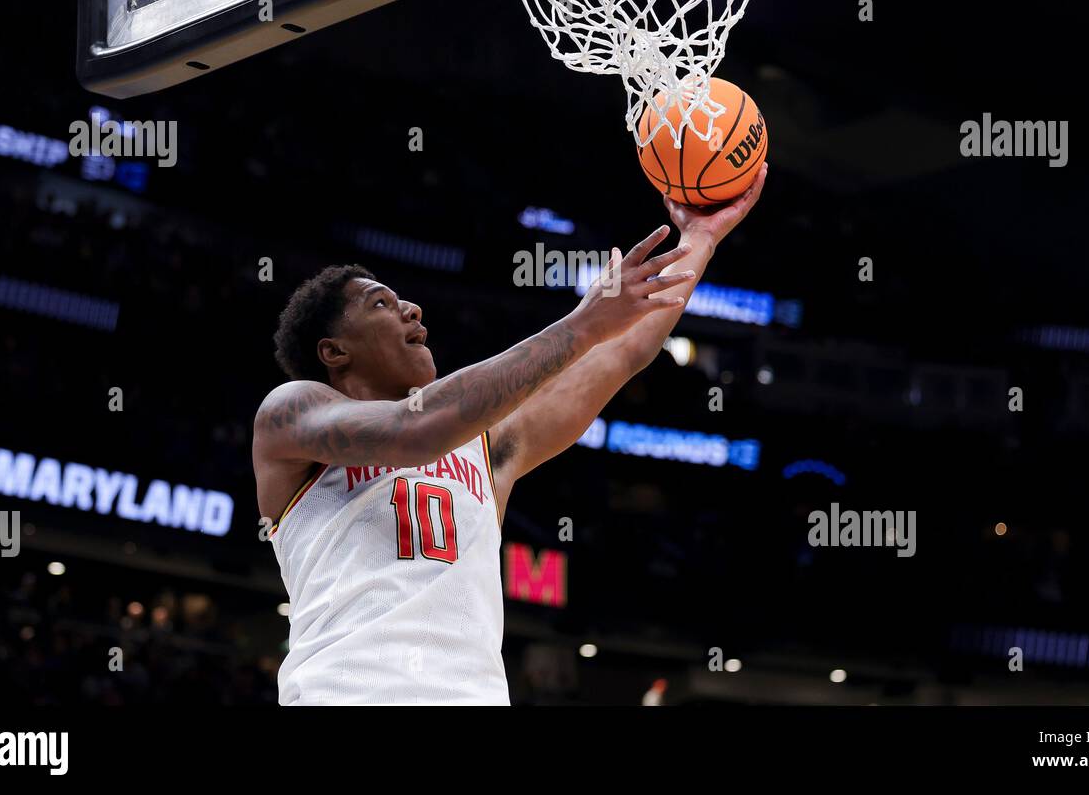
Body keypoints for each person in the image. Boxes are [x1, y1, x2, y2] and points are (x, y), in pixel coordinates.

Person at [253, 166, 766, 703]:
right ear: (334, 351)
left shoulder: (490, 448)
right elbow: (416, 430)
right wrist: (583, 322)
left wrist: (701, 239)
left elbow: (623, 350)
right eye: (380, 303)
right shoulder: (291, 414)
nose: (411, 307)